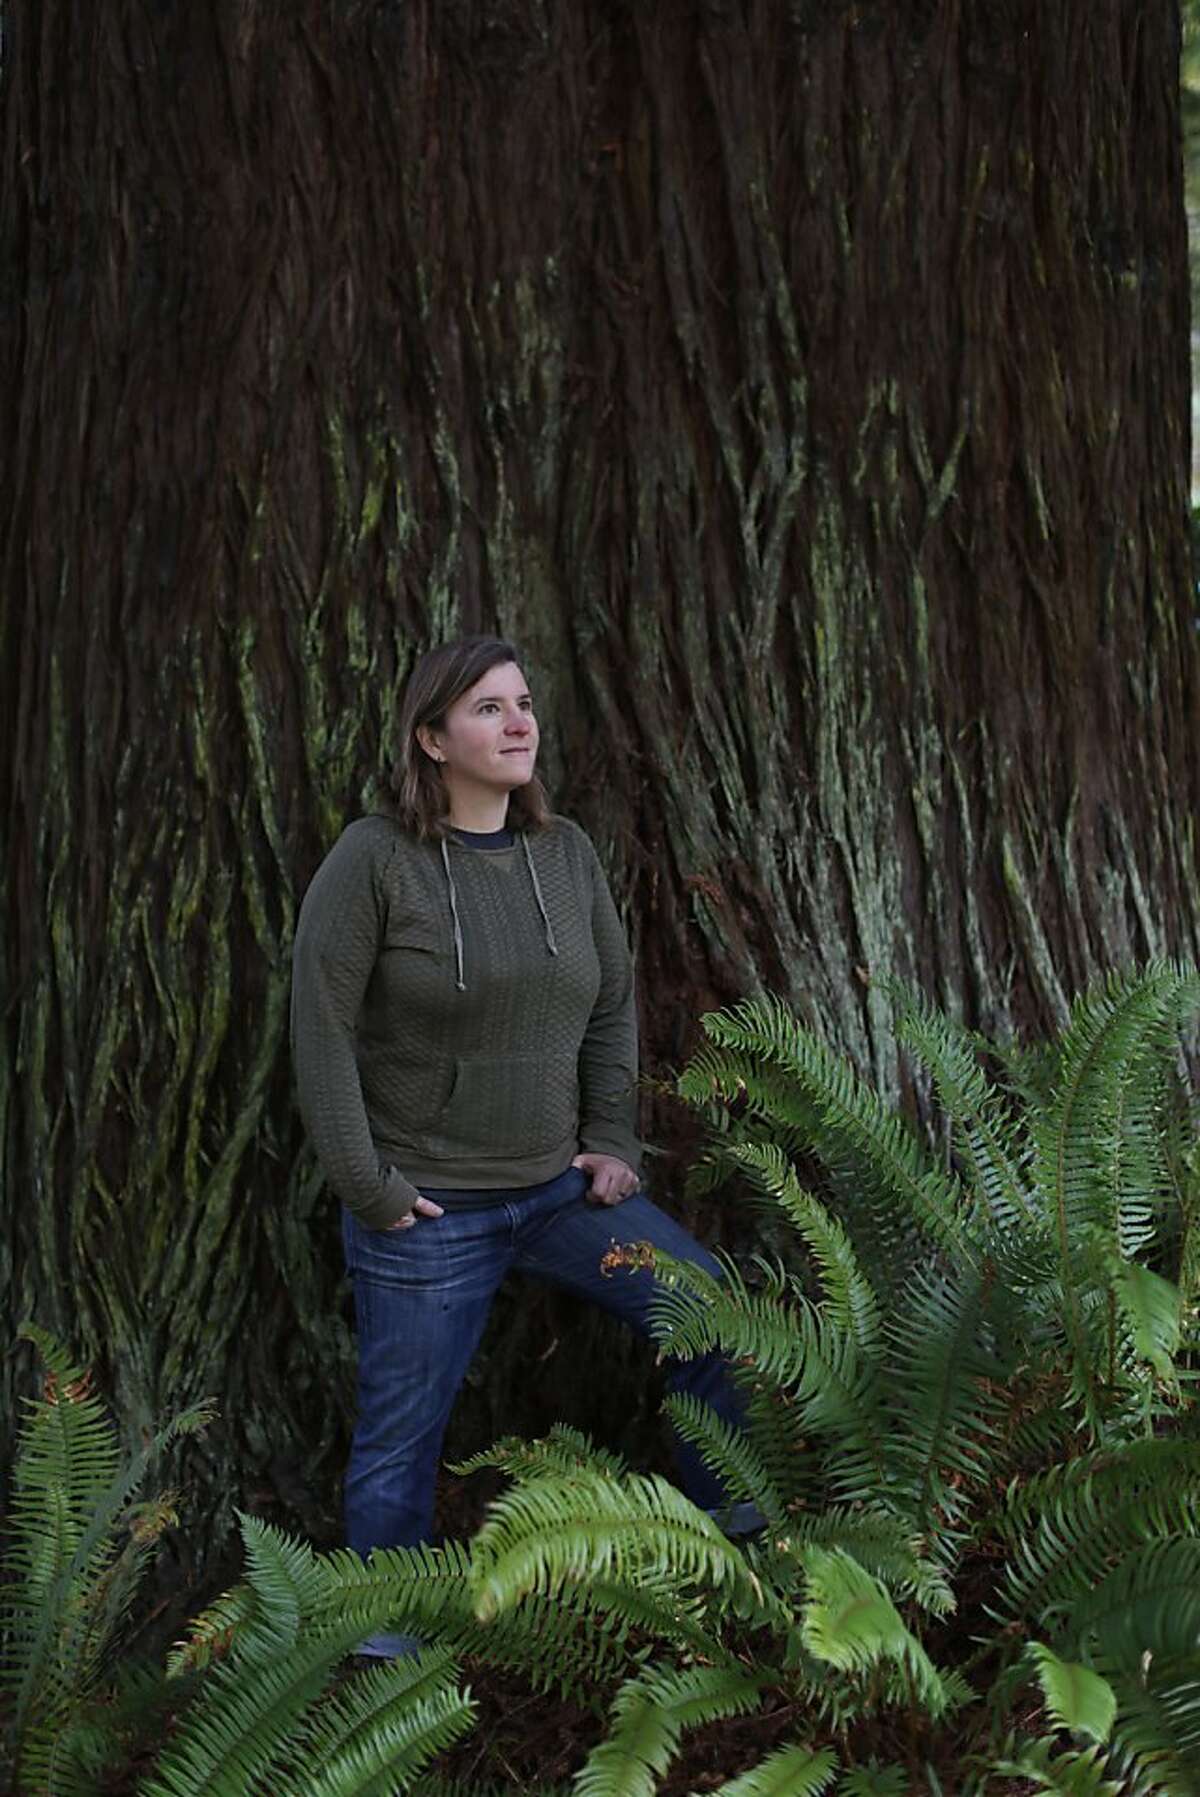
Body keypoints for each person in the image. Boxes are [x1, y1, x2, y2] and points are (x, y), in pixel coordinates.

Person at [291, 635, 754, 1657]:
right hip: (428, 1212)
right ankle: (383, 1657)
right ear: (430, 738)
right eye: (488, 708)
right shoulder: (376, 860)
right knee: (398, 1446)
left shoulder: (568, 854)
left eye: (524, 703)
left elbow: (610, 1004)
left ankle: (734, 1546)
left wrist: (611, 1137)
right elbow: (318, 1026)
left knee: (714, 1310)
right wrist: (368, 1186)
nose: (518, 723)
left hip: (558, 1194)